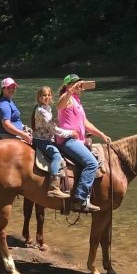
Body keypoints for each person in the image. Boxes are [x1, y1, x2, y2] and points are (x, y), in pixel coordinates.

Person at [56, 74, 111, 213]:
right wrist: (70, 90)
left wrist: (102, 134)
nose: (80, 87)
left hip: (78, 140)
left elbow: (85, 123)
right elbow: (59, 105)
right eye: (76, 84)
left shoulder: (77, 100)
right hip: (68, 140)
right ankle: (80, 200)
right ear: (69, 85)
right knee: (91, 163)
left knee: (96, 159)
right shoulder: (67, 98)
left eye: (80, 84)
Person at [31, 86, 70, 199]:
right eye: (44, 95)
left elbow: (49, 123)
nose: (47, 97)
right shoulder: (41, 110)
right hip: (42, 140)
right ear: (39, 97)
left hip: (47, 137)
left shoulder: (46, 108)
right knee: (57, 157)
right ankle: (54, 187)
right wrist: (70, 133)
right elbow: (53, 130)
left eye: (49, 95)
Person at [0, 78, 32, 144]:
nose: (12, 89)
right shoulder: (4, 105)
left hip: (18, 132)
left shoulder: (8, 100)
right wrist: (23, 134)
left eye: (13, 87)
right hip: (10, 135)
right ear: (3, 89)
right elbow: (7, 125)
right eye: (8, 87)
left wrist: (23, 128)